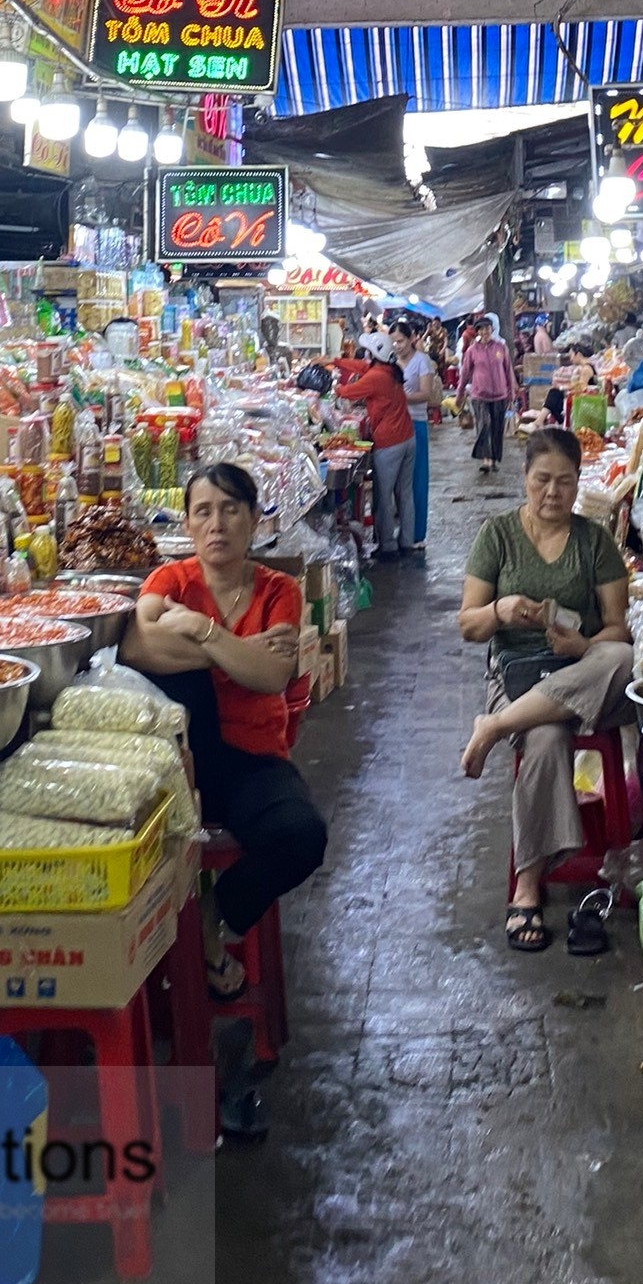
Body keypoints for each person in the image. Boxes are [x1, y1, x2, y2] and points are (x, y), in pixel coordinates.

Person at [126, 463, 329, 995]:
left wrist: (197, 629)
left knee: (303, 837)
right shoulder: (170, 579)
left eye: (230, 510)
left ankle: (209, 919)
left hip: (253, 759)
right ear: (189, 525)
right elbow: (135, 645)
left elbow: (270, 675)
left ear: (255, 520)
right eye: (203, 512)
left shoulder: (278, 589)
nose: (217, 523)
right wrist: (233, 651)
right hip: (179, 766)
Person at [456, 428, 633, 952]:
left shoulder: (594, 541)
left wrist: (582, 646)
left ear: (578, 483)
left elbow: (617, 629)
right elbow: (467, 624)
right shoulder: (498, 536)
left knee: (619, 657)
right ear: (525, 479)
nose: (552, 492)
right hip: (515, 674)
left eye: (564, 481)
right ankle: (528, 887)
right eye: (541, 480)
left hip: (579, 671)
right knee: (548, 739)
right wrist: (500, 611)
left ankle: (496, 726)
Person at [333, 331, 417, 558]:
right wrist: (335, 361)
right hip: (408, 438)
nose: (366, 356)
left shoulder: (377, 376)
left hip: (390, 442)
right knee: (404, 493)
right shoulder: (388, 370)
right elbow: (361, 366)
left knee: (383, 495)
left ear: (375, 354)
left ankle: (388, 546)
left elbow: (347, 392)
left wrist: (332, 388)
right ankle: (406, 542)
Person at [394, 320, 442, 553]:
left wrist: (397, 397)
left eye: (400, 341)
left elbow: (425, 394)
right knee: (398, 483)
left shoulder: (422, 362)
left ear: (412, 338)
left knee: (417, 480)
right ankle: (400, 530)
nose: (397, 346)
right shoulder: (390, 361)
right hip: (394, 423)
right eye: (393, 341)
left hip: (416, 424)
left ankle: (417, 533)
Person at [459, 314, 518, 475]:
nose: (485, 331)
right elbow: (465, 373)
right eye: (481, 329)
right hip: (479, 395)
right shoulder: (472, 351)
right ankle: (486, 459)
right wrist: (459, 394)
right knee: (484, 425)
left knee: (497, 428)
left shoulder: (501, 348)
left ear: (492, 329)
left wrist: (512, 392)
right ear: (477, 331)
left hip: (500, 395)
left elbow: (508, 370)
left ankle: (493, 459)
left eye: (487, 328)